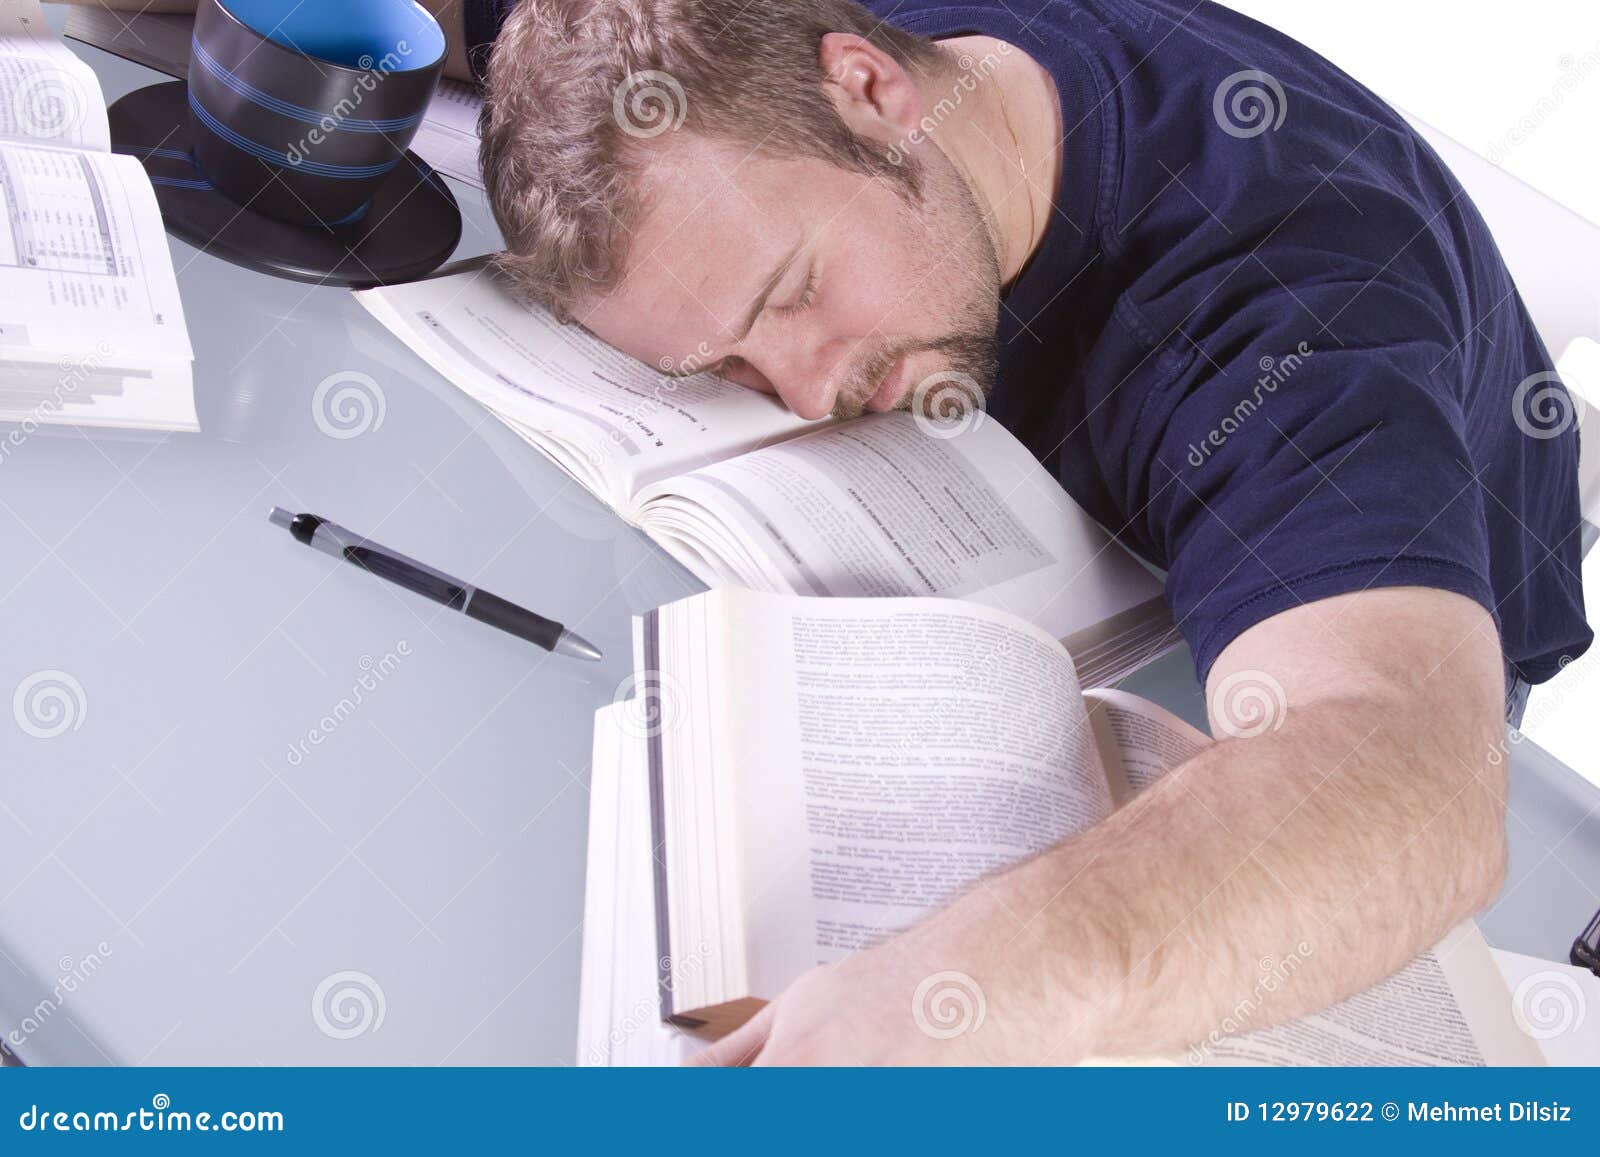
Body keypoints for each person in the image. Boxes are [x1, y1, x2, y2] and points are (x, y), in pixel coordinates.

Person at [78, 0, 1593, 1065]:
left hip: (1388, 598)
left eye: (793, 292)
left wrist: (973, 988)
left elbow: (1404, 782)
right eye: (730, 368)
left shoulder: (1285, 309)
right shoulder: (720, 50)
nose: (811, 395)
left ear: (871, 87)